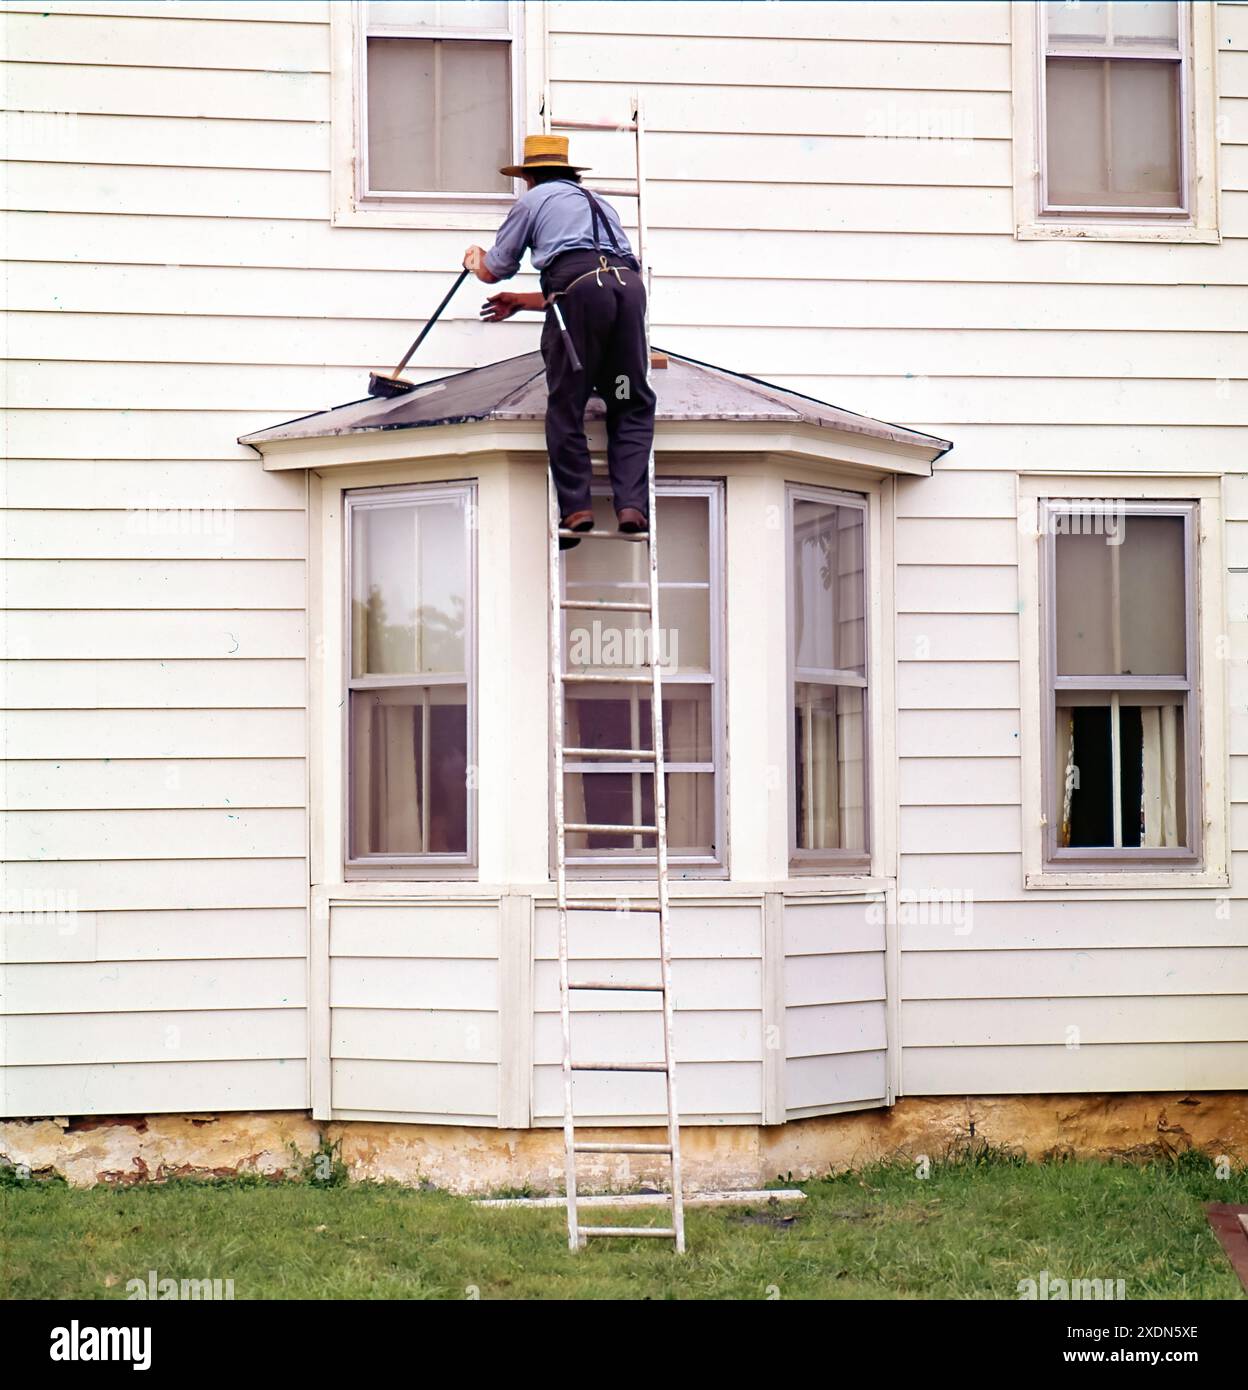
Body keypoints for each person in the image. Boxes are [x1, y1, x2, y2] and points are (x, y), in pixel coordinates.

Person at [462, 135, 656, 550]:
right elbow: (596, 279)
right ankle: (632, 508)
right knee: (630, 400)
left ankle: (577, 510)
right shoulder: (601, 203)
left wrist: (476, 258)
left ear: (529, 177)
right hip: (626, 292)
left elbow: (496, 270)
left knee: (567, 402)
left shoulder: (532, 202)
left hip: (582, 295)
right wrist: (523, 303)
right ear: (570, 173)